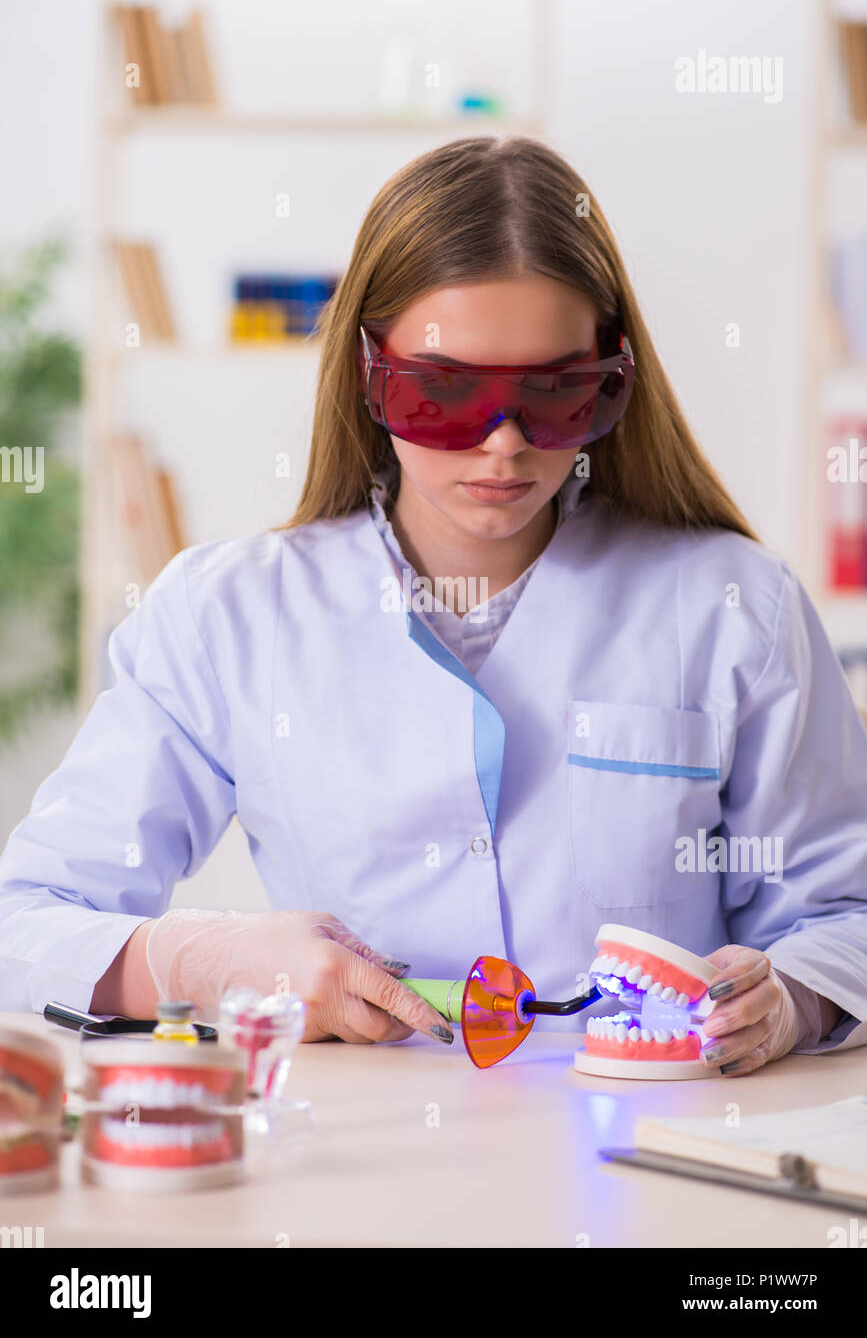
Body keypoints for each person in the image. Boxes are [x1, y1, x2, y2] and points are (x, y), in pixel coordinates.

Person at [1, 135, 865, 1075]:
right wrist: (203, 958)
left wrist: (794, 1000)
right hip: (354, 1174)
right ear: (370, 375)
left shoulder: (732, 606)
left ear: (612, 377)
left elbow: (844, 913)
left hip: (649, 1167)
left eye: (558, 394)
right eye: (446, 392)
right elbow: (28, 924)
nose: (503, 445)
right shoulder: (225, 615)